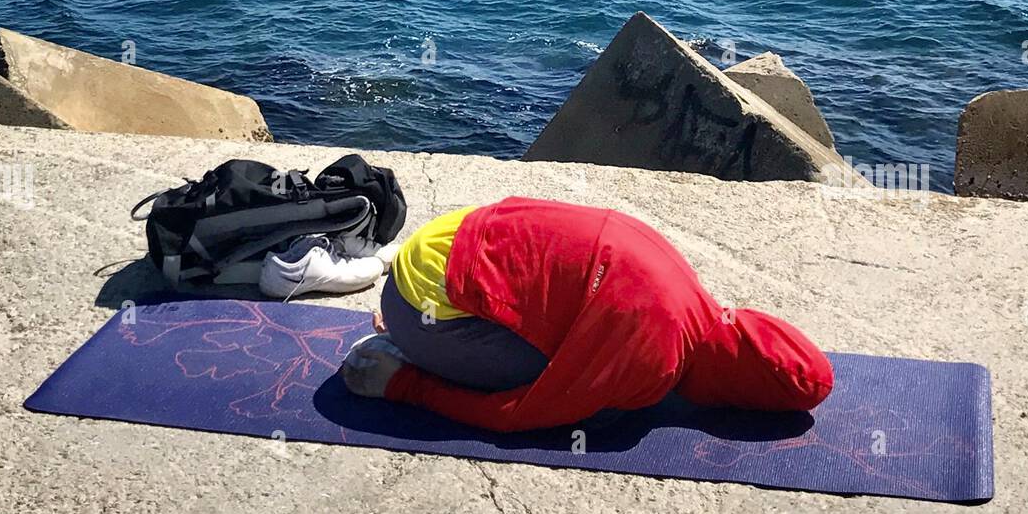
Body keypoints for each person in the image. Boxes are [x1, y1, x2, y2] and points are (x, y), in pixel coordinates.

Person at [341, 196, 833, 432]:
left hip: (441, 244)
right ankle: (416, 342)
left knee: (580, 338)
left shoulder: (686, 288)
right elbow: (517, 417)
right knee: (564, 387)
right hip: (424, 298)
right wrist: (405, 385)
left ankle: (424, 319)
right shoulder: (656, 362)